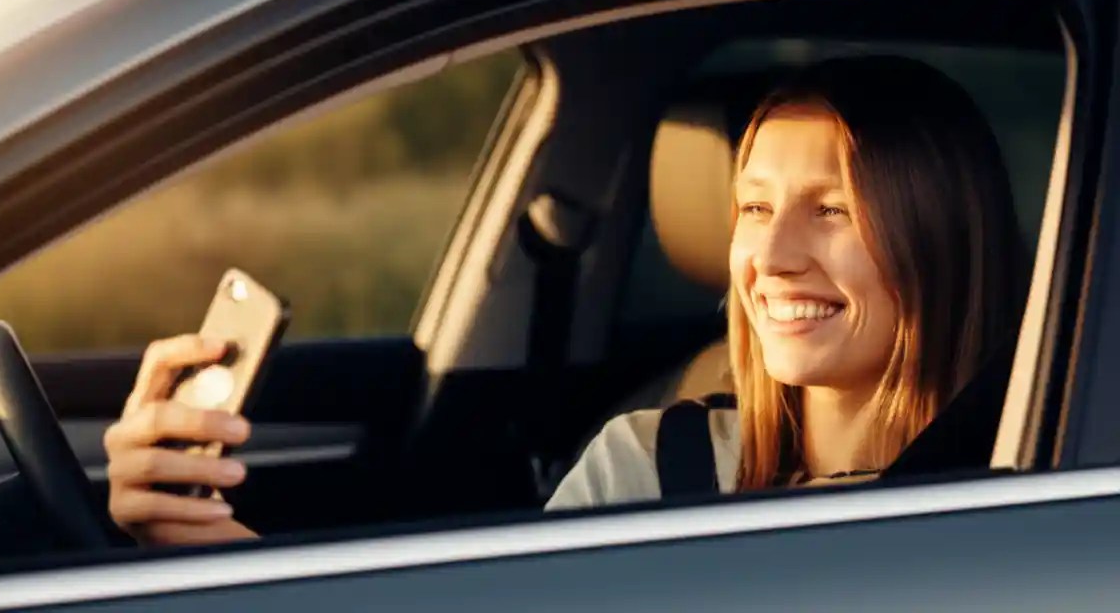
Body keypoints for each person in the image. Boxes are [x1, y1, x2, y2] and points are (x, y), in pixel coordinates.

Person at [103, 55, 1029, 543]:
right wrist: (212, 559)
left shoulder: (1043, 478)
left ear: (940, 238)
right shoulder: (648, 464)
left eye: (834, 209)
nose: (772, 257)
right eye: (752, 208)